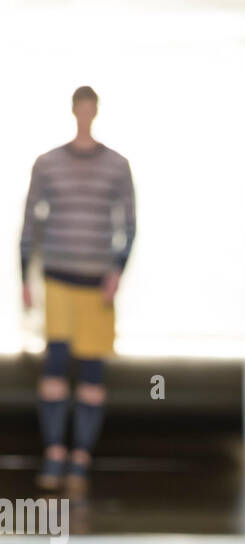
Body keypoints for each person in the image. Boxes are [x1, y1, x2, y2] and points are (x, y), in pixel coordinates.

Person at [20, 85, 136, 497]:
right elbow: (31, 221)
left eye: (91, 108)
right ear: (74, 111)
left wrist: (117, 270)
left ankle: (80, 458)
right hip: (57, 278)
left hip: (96, 284)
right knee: (54, 365)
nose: (85, 114)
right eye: (80, 108)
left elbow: (129, 222)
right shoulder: (48, 163)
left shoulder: (117, 165)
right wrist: (24, 278)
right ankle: (54, 451)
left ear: (96, 112)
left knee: (90, 370)